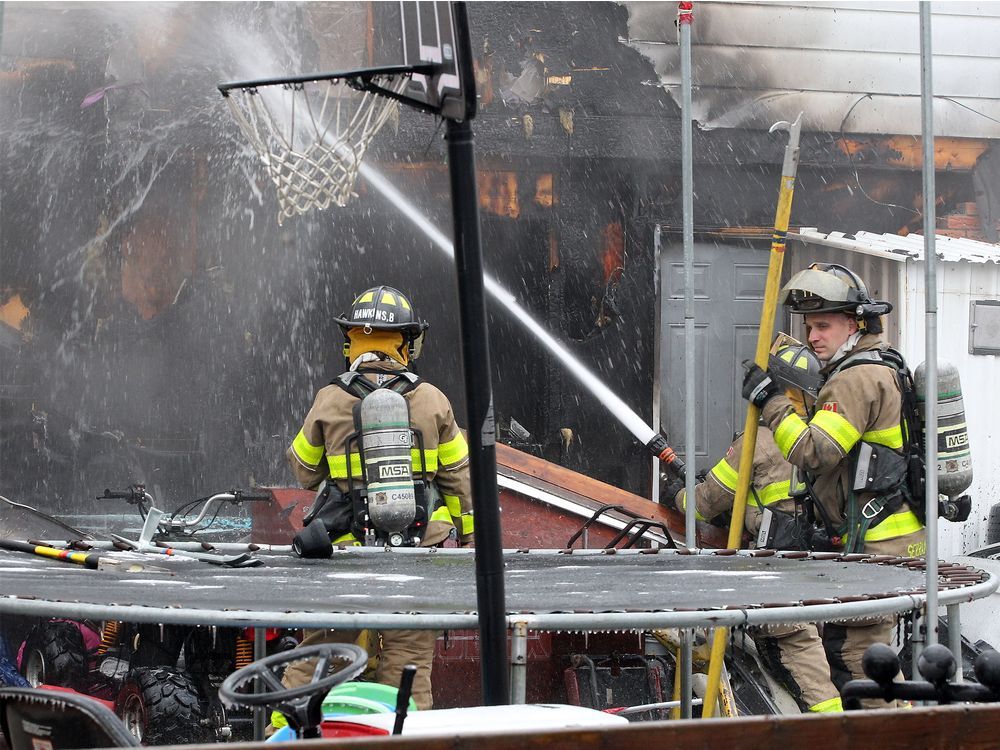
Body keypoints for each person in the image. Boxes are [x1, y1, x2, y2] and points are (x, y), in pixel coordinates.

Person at [282, 285, 474, 711]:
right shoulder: (433, 400)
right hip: (418, 556)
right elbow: (460, 480)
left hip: (345, 555)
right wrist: (469, 535)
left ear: (352, 340)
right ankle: (406, 738)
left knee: (322, 654)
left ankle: (288, 736)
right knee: (408, 662)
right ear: (405, 343)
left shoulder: (330, 398)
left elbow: (303, 467)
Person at [741, 262, 925, 701]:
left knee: (858, 667)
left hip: (872, 553)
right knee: (869, 664)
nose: (813, 337)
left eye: (824, 325)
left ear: (855, 324)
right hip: (894, 547)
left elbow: (813, 452)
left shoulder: (855, 378)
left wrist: (771, 402)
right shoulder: (884, 365)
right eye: (809, 327)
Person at [666, 341, 842, 714]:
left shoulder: (758, 441)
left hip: (771, 583)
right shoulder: (819, 441)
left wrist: (678, 496)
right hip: (814, 573)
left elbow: (707, 503)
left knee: (809, 678)